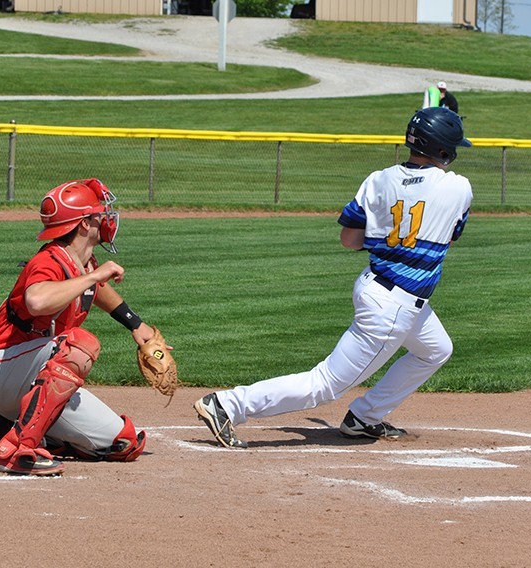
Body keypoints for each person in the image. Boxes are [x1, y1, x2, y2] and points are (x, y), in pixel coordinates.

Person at [194, 107, 473, 447]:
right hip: (393, 306)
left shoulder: (378, 179)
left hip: (376, 286)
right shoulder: (458, 188)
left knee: (436, 349)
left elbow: (349, 240)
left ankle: (364, 417)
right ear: (444, 150)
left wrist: (387, 239)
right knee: (324, 383)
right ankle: (227, 404)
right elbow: (451, 237)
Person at [0, 178, 161, 475]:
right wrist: (93, 277)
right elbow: (37, 300)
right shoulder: (47, 260)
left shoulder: (82, 264)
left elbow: (93, 290)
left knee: (123, 443)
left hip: (27, 376)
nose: (107, 218)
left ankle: (10, 423)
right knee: (78, 343)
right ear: (84, 224)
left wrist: (136, 325)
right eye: (100, 214)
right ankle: (18, 449)